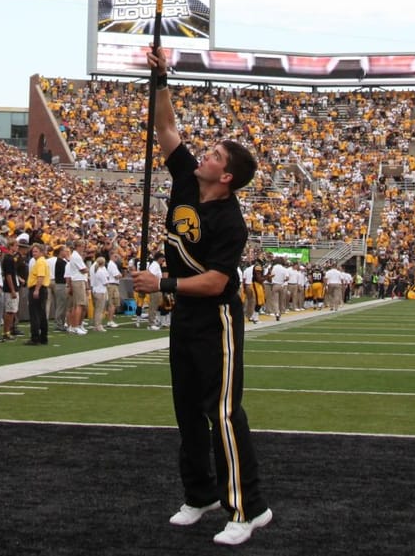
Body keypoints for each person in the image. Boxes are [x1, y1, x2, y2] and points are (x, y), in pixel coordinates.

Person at [133, 46, 271, 547]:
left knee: (224, 413)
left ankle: (248, 508)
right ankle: (201, 494)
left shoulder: (230, 220)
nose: (204, 155)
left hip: (216, 319)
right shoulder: (187, 181)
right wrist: (161, 76)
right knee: (187, 408)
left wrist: (164, 285)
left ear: (227, 176)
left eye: (213, 155)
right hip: (186, 318)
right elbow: (166, 129)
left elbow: (217, 282)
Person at [26, 242, 50, 344]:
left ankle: (35, 337)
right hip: (41, 289)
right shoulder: (42, 261)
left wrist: (36, 290)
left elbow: (40, 276)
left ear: (41, 252)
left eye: (36, 251)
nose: (33, 253)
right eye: (33, 251)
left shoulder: (40, 262)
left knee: (35, 314)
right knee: (41, 313)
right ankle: (43, 337)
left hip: (37, 288)